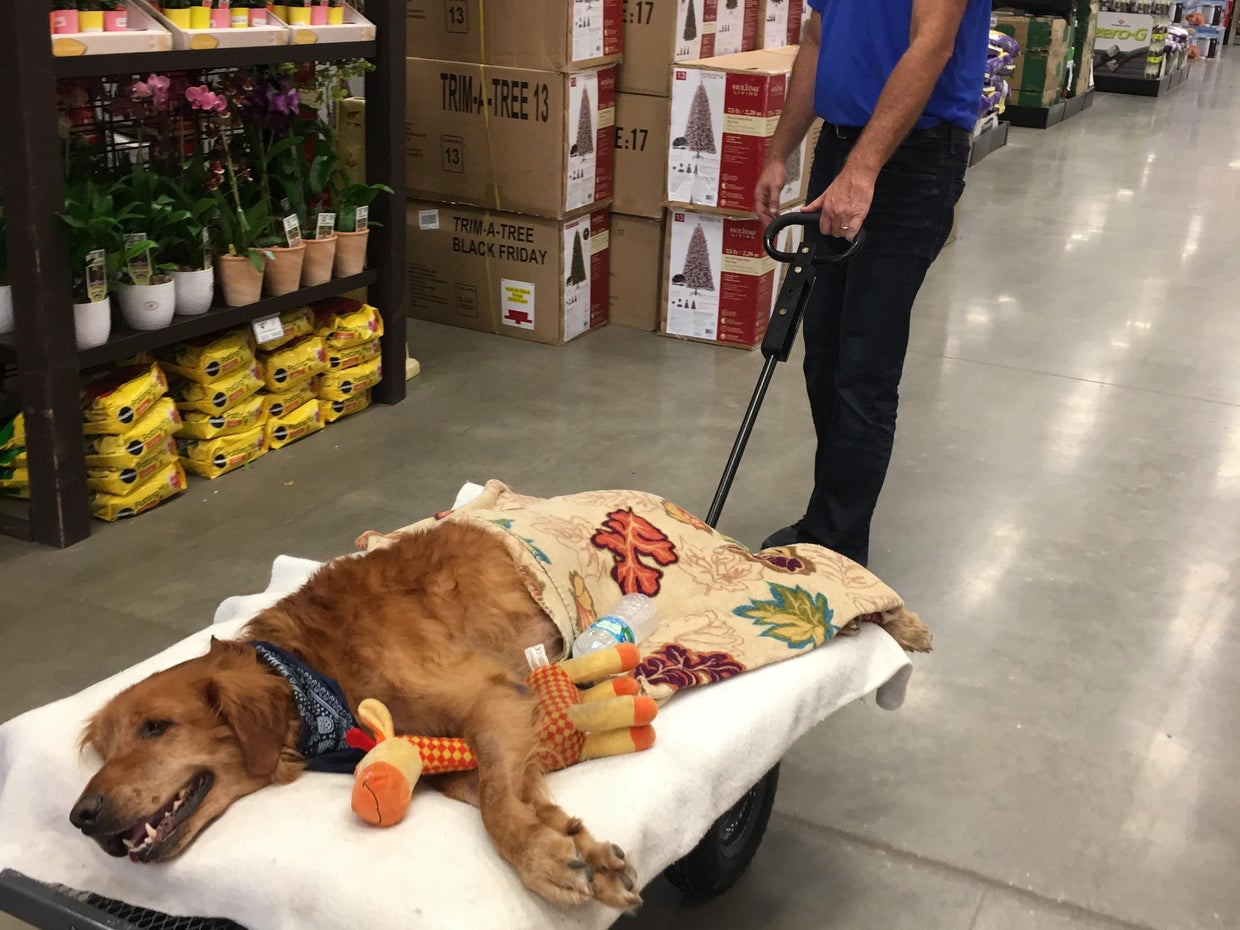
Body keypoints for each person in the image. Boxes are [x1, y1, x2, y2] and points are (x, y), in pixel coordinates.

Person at [754, 0, 989, 567]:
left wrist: (861, 173)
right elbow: (816, 37)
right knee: (824, 352)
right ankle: (827, 519)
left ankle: (838, 546)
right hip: (840, 144)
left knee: (864, 364)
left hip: (914, 158)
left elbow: (931, 45)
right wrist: (779, 150)